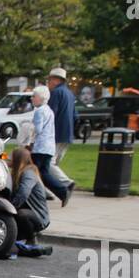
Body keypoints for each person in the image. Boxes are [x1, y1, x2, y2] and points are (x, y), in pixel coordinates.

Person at [28, 84, 70, 206]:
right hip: (48, 147)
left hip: (40, 148)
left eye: (34, 96)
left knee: (37, 173)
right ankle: (60, 191)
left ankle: (60, 190)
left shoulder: (39, 112)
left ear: (41, 98)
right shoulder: (49, 110)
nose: (32, 98)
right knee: (43, 172)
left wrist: (30, 141)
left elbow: (37, 130)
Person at [8, 147, 53, 257]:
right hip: (28, 211)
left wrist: (11, 207)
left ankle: (32, 238)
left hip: (38, 216)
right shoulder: (17, 173)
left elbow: (23, 193)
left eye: (11, 157)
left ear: (18, 159)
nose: (9, 159)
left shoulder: (29, 172)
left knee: (21, 214)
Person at [46, 66, 77, 198]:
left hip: (56, 133)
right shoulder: (70, 94)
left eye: (50, 79)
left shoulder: (56, 93)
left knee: (48, 164)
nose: (49, 83)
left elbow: (51, 114)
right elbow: (76, 115)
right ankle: (50, 191)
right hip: (67, 133)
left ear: (55, 79)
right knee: (55, 164)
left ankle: (66, 182)